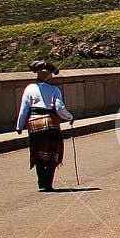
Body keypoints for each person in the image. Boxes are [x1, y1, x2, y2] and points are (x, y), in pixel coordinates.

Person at [14, 60, 75, 192]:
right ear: (50, 76)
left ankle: (41, 182)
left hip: (34, 123)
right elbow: (59, 108)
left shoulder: (29, 88)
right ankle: (48, 183)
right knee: (53, 153)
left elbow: (24, 108)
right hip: (51, 123)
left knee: (37, 153)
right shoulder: (54, 90)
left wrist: (19, 126)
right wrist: (69, 117)